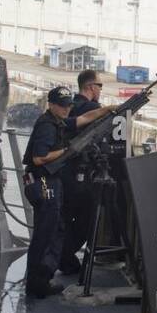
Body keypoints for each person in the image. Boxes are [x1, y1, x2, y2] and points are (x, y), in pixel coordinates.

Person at [22, 86, 80, 298]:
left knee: (54, 229)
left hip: (47, 182)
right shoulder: (47, 126)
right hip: (44, 183)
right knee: (46, 233)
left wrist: (108, 110)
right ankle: (37, 283)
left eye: (69, 106)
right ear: (52, 105)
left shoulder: (59, 122)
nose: (67, 109)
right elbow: (39, 158)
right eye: (63, 106)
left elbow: (82, 120)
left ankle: (40, 278)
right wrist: (67, 151)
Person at [58, 71, 115, 277]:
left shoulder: (69, 106)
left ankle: (62, 258)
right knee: (86, 221)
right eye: (100, 85)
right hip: (82, 175)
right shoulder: (92, 108)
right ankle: (63, 257)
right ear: (91, 87)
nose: (100, 90)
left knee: (65, 218)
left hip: (64, 174)